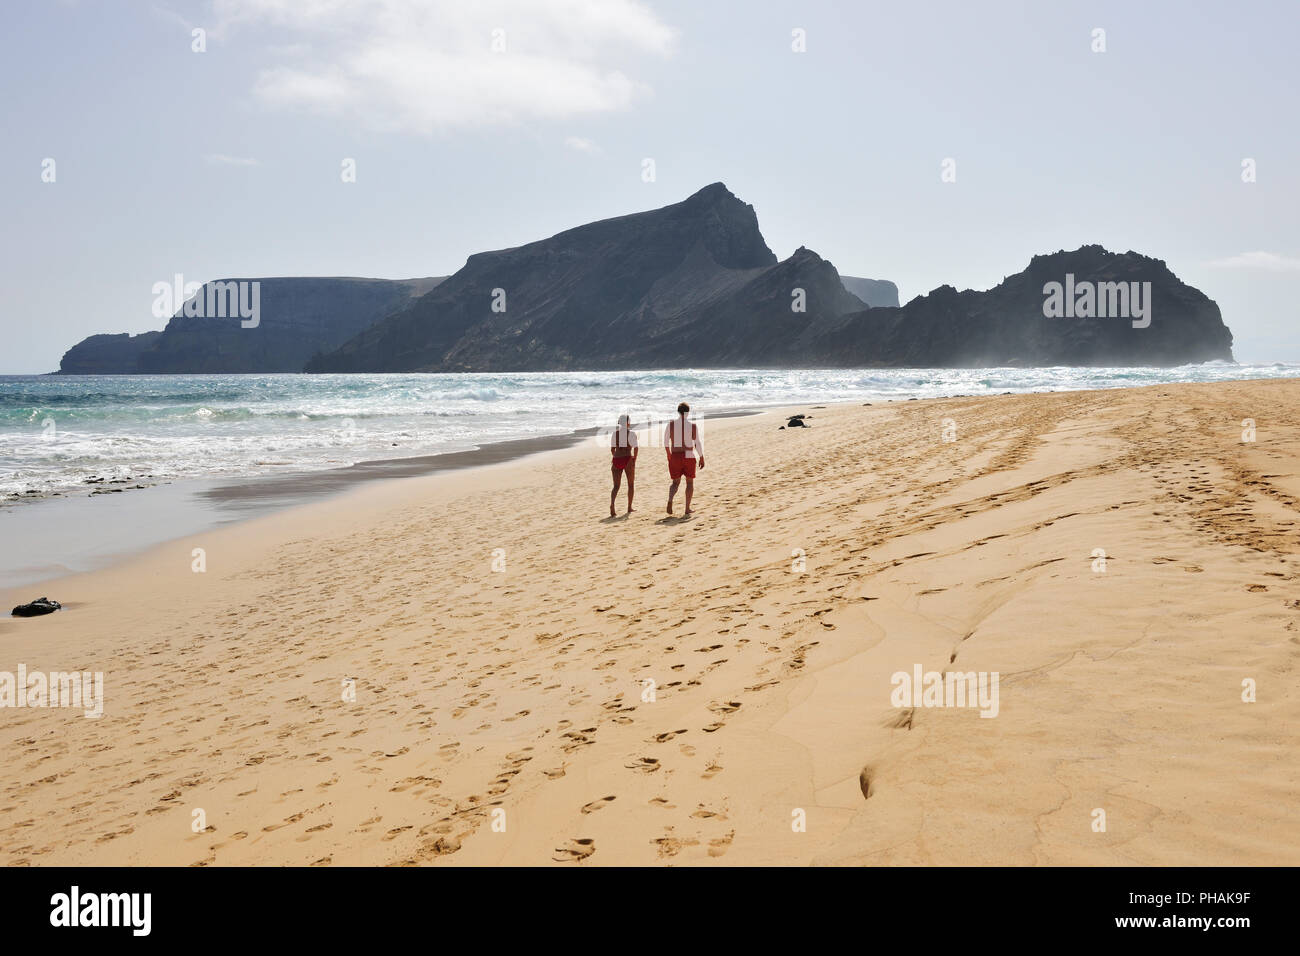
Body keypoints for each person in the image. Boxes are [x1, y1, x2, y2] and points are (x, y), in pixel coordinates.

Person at [663, 402, 704, 516]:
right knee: (689, 482)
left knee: (675, 483)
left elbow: (666, 442)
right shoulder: (692, 426)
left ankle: (670, 499)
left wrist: (668, 454)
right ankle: (687, 508)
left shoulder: (671, 425)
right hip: (689, 455)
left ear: (678, 411)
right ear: (687, 412)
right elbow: (697, 443)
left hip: (675, 455)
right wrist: (701, 456)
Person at [610, 414, 638, 516]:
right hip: (627, 459)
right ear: (627, 423)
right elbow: (636, 448)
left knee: (616, 486)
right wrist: (634, 459)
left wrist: (616, 457)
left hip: (616, 459)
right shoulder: (631, 433)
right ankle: (629, 507)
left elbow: (612, 449)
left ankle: (612, 504)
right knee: (630, 485)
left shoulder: (614, 434)